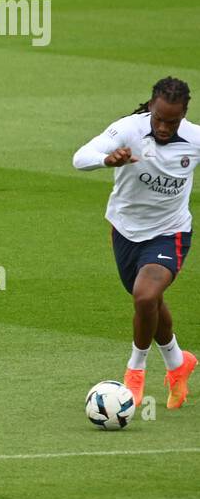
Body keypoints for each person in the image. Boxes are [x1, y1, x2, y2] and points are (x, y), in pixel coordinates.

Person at [73, 76, 196, 409]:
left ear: (184, 113)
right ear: (151, 107)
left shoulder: (195, 140)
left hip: (171, 233)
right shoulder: (128, 129)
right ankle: (177, 363)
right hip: (125, 231)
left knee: (145, 296)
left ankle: (135, 372)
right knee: (148, 303)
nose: (164, 127)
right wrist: (108, 159)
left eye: (172, 121)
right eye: (158, 118)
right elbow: (81, 156)